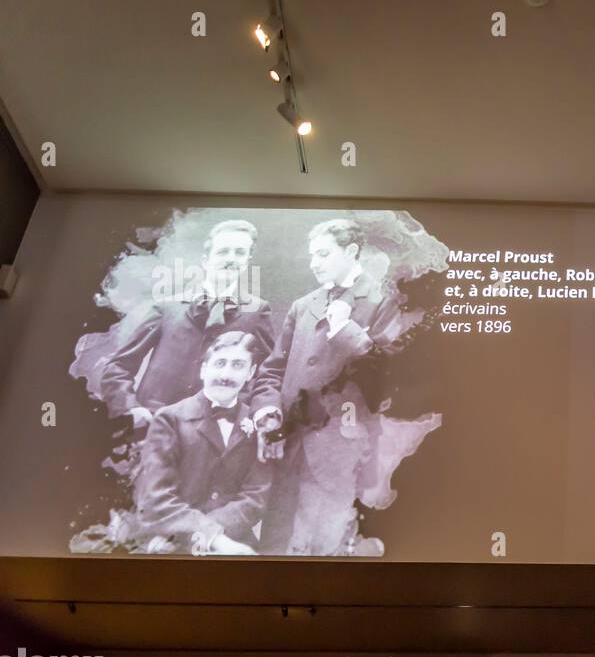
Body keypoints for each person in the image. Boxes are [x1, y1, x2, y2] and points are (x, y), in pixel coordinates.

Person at [250, 218, 400, 555]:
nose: (314, 263)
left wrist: (346, 330)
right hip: (288, 448)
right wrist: (267, 410)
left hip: (340, 456)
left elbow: (389, 381)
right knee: (274, 545)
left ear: (351, 251)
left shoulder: (383, 301)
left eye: (323, 254)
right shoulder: (304, 305)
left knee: (322, 554)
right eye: (311, 255)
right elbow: (272, 371)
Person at [100, 219, 275, 430]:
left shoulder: (256, 310)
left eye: (239, 253)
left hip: (217, 432)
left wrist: (247, 413)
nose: (231, 259)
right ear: (205, 260)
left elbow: (268, 374)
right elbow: (119, 366)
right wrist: (131, 409)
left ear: (247, 261)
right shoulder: (167, 306)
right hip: (155, 425)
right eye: (223, 252)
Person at [134, 331, 271, 555]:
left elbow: (256, 497)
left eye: (238, 365)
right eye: (219, 363)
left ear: (251, 373)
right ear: (203, 369)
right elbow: (155, 497)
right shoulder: (170, 419)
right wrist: (209, 536)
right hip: (172, 538)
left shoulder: (258, 423)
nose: (226, 374)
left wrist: (218, 537)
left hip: (235, 540)